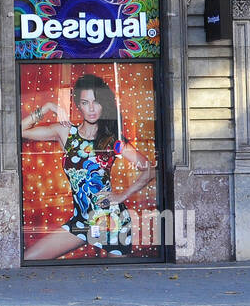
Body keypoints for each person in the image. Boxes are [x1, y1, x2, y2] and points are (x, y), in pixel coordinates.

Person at [20, 73, 155, 260]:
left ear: (104, 104)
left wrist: (122, 195)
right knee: (30, 258)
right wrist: (49, 107)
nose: (91, 109)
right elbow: (20, 130)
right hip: (81, 222)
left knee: (118, 283)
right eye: (85, 103)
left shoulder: (113, 141)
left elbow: (149, 169)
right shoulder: (66, 133)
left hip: (111, 221)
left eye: (96, 102)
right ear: (78, 106)